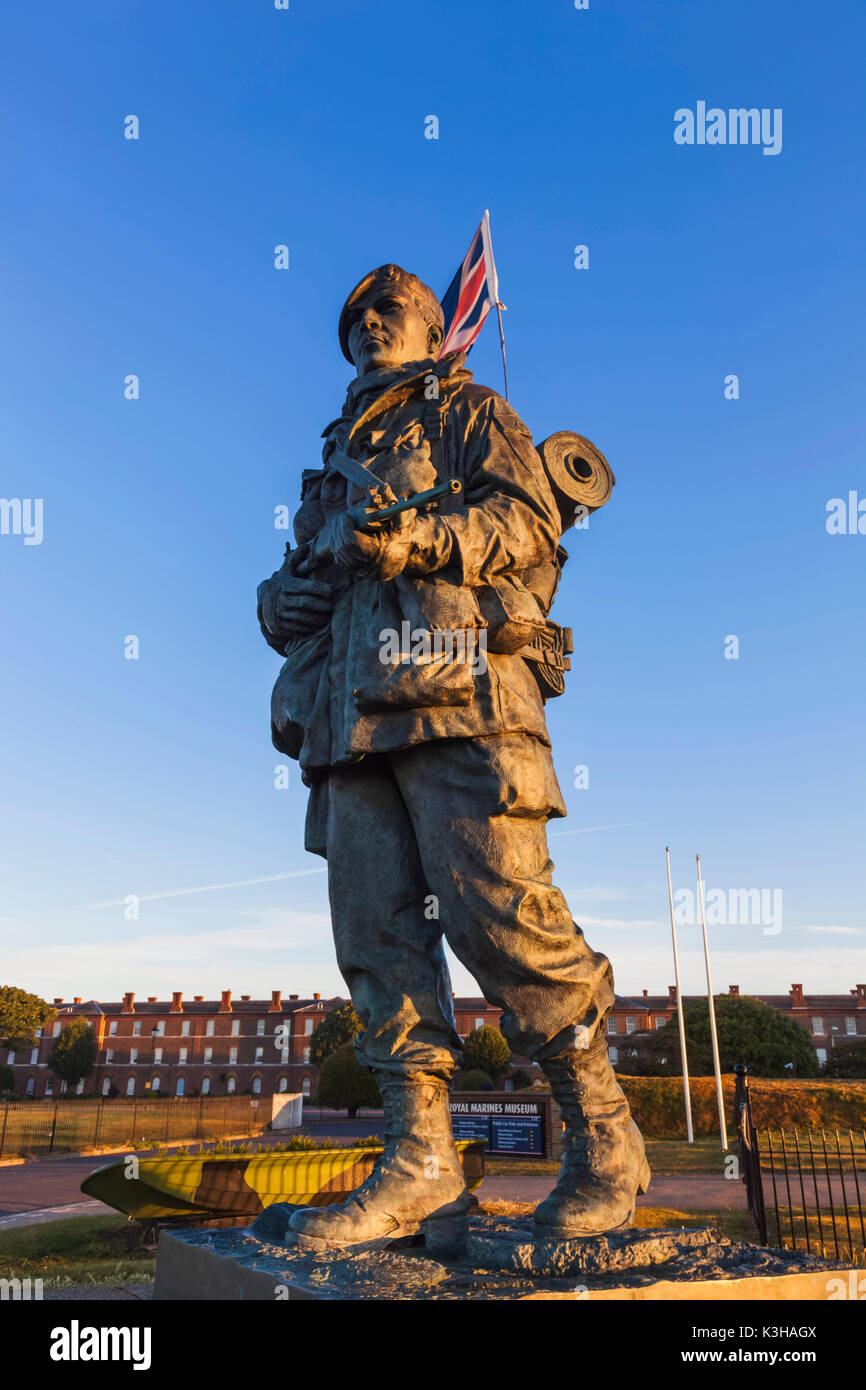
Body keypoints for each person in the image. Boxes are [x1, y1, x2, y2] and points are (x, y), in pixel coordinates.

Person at [257, 263, 649, 1247]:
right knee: (376, 939)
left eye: (391, 309)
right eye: (354, 317)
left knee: (498, 916)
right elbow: (286, 590)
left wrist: (413, 541)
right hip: (346, 722)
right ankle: (419, 1158)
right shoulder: (329, 464)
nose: (370, 323)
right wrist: (278, 602)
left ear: (436, 328)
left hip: (458, 689)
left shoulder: (469, 410)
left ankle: (604, 1142)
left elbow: (527, 523)